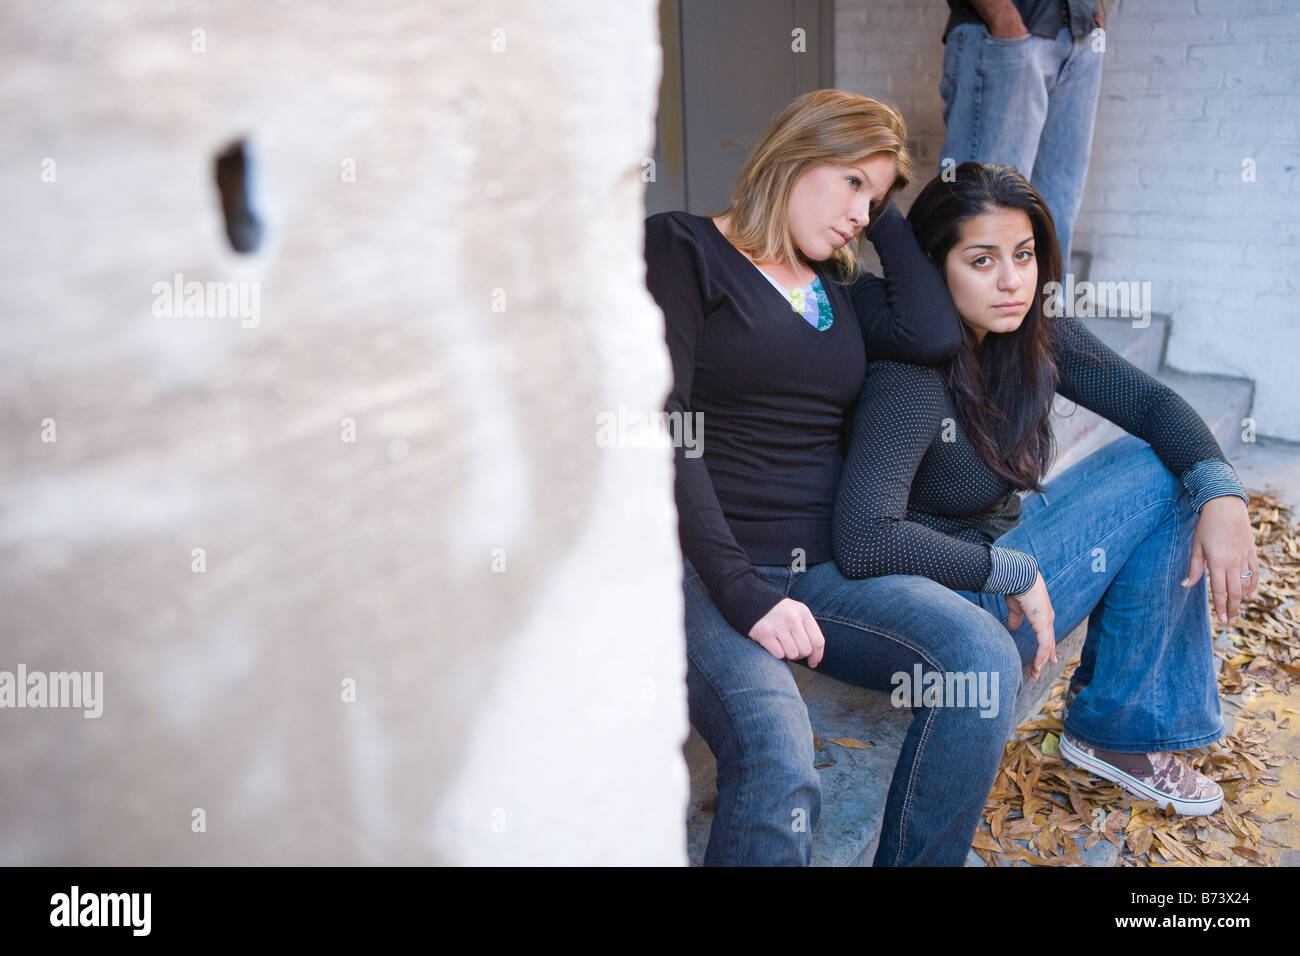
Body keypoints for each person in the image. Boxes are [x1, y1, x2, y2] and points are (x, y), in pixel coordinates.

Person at [645, 89, 1035, 867]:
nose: (861, 212)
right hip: (705, 568)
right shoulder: (682, 249)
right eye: (850, 182)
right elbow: (665, 424)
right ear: (794, 154)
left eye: (878, 196)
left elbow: (927, 331)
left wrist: (879, 207)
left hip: (824, 568)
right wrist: (745, 594)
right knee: (778, 755)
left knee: (983, 660)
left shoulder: (837, 288)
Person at [832, 161, 1258, 817]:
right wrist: (1007, 569)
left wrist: (1224, 494)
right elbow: (864, 539)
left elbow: (1151, 405)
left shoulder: (1031, 335)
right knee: (1164, 483)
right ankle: (1118, 734)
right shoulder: (908, 373)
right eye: (982, 261)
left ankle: (1116, 727)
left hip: (1003, 559)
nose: (1012, 281)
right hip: (958, 614)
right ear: (931, 267)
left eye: (1024, 256)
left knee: (1173, 467)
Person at [938, 0, 1107, 269]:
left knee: (1057, 205)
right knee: (982, 205)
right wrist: (1004, 20)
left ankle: (1046, 309)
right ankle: (955, 312)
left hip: (1081, 36)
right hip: (1007, 34)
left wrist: (1095, 12)